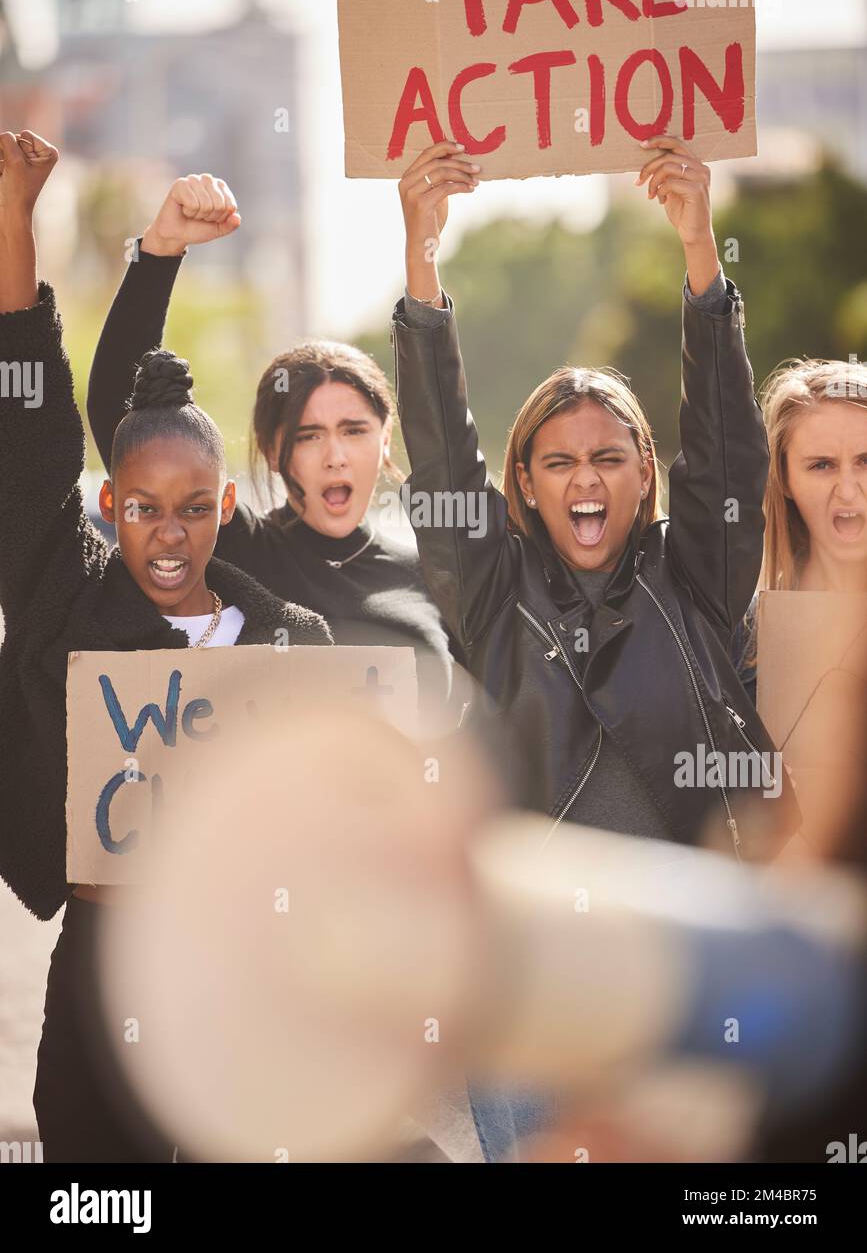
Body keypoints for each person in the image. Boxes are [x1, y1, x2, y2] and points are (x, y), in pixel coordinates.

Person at [390, 135, 801, 1159]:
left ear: (645, 475)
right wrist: (421, 261)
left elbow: (728, 445)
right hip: (529, 973)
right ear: (523, 482)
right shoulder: (488, 590)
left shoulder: (696, 574)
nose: (586, 478)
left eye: (610, 457)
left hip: (690, 971)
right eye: (560, 460)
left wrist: (702, 250)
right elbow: (442, 443)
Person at [0, 131, 332, 1161]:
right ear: (111, 506)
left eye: (194, 507)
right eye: (141, 509)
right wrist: (13, 219)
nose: (170, 532)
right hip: (102, 983)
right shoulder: (74, 612)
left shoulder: (289, 641)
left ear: (227, 506)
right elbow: (38, 427)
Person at [85, 175, 458, 724]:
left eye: (354, 430)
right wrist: (161, 249)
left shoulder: (436, 568)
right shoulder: (237, 553)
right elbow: (122, 416)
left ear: (385, 441)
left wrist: (423, 255)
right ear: (273, 449)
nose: (334, 455)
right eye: (309, 436)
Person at [737, 356, 867, 860]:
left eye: (866, 461)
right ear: (784, 479)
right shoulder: (745, 632)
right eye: (821, 465)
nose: (849, 489)